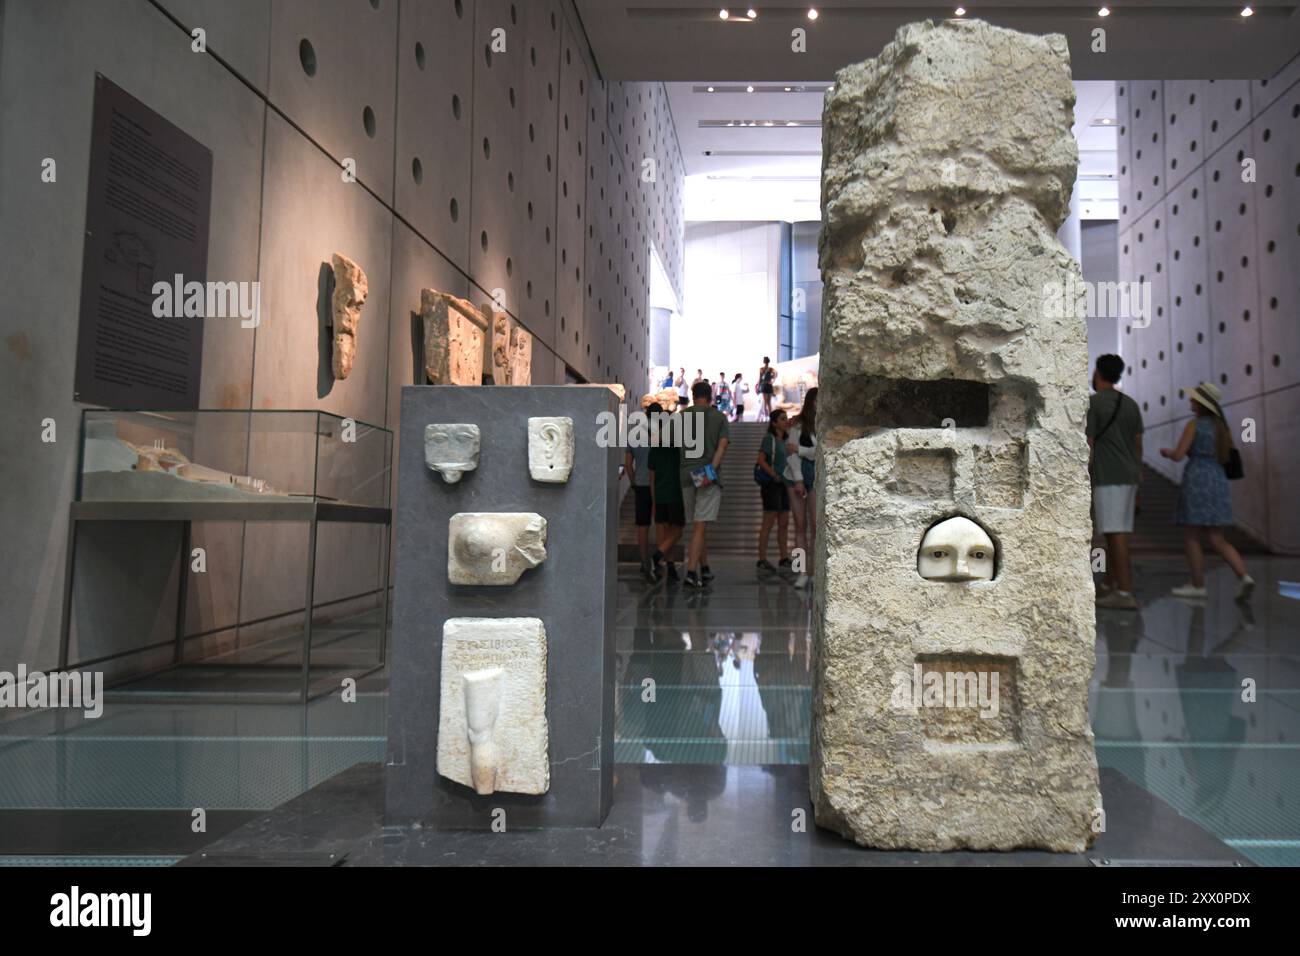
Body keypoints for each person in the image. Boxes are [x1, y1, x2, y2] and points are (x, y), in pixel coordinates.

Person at [1159, 382, 1255, 602]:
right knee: (1217, 537)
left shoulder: (1194, 425)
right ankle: (1244, 576)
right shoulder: (1222, 427)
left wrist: (1167, 452)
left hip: (1197, 479)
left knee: (1192, 536)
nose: (1190, 401)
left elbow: (1178, 455)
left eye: (1193, 399)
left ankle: (1197, 585)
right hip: (1218, 479)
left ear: (1201, 403)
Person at [1087, 354, 1144, 611]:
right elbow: (1138, 445)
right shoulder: (1131, 404)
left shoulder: (1095, 404)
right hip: (1129, 475)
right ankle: (1110, 583)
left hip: (1108, 475)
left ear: (1098, 372)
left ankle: (1125, 591)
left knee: (1115, 533)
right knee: (1115, 532)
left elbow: (1088, 445)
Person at [679, 381, 730, 589]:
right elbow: (722, 446)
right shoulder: (719, 417)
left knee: (698, 525)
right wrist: (710, 471)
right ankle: (691, 572)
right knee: (701, 524)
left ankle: (705, 568)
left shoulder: (681, 416)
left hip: (685, 474)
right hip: (707, 475)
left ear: (693, 395)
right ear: (711, 396)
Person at [646, 403, 684, 584]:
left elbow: (651, 477)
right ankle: (658, 556)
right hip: (676, 493)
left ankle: (670, 567)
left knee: (666, 531)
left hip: (660, 494)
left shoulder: (655, 447)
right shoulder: (678, 447)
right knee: (677, 530)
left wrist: (653, 500)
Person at [784, 387, 817, 589]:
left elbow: (819, 451)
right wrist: (798, 480)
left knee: (815, 525)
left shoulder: (825, 424)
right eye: (816, 401)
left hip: (816, 478)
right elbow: (791, 452)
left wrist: (802, 450)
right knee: (799, 525)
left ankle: (814, 570)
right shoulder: (797, 424)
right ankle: (801, 571)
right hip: (796, 476)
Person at [755, 409, 791, 575]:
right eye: (782, 419)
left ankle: (784, 557)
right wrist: (773, 474)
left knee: (783, 522)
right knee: (768, 522)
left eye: (786, 418)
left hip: (784, 485)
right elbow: (761, 460)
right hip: (772, 484)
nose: (786, 421)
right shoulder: (769, 439)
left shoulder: (785, 440)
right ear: (774, 422)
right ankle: (761, 559)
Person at [625, 440, 654, 581]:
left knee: (643, 526)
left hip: (641, 485)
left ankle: (644, 561)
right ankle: (662, 560)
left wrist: (633, 482)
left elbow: (628, 464)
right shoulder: (659, 435)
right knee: (662, 524)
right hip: (659, 484)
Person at [757, 357, 776, 421]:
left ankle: (768, 417)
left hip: (765, 385)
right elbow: (760, 378)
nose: (765, 361)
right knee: (767, 402)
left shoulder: (767, 369)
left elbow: (760, 379)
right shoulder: (767, 369)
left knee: (767, 402)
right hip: (766, 385)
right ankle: (768, 417)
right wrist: (773, 380)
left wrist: (773, 379)